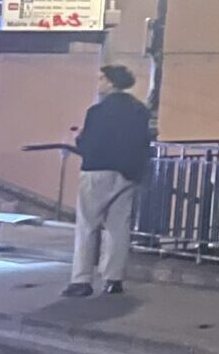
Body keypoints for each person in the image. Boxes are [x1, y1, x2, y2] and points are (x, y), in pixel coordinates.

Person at [27, 64, 154, 298]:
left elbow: (88, 144)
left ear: (111, 82)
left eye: (102, 79)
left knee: (87, 226)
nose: (99, 83)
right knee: (118, 228)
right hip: (127, 174)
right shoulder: (140, 111)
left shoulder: (98, 111)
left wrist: (79, 140)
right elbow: (143, 142)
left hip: (97, 171)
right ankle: (113, 279)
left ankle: (81, 280)